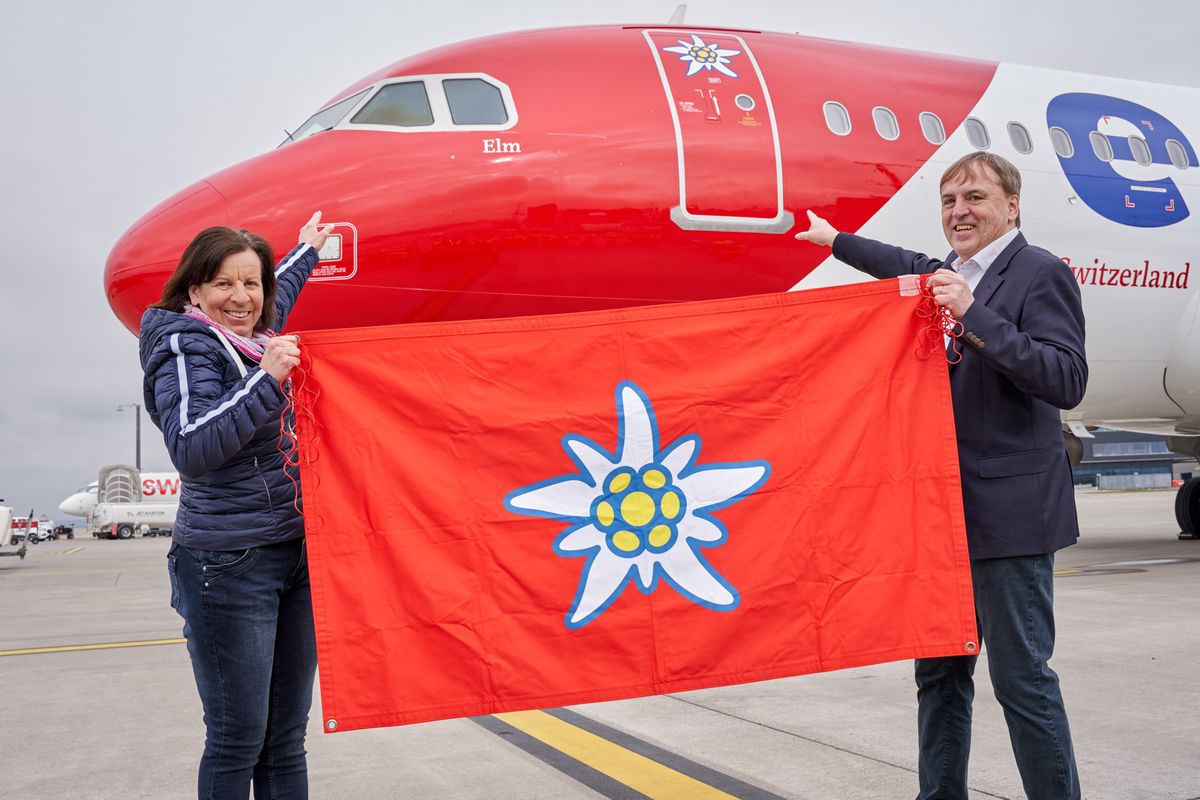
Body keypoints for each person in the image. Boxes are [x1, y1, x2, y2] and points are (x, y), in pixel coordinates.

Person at [796, 152, 1085, 800]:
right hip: (940, 520)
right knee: (939, 678)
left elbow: (1066, 380)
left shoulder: (1040, 274)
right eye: (950, 200)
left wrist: (976, 316)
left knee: (1021, 682)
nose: (960, 211)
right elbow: (898, 261)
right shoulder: (946, 272)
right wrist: (831, 239)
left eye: (975, 198)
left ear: (1012, 206)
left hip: (1010, 521)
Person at [140, 212, 331, 798]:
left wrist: (305, 254)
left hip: (295, 557)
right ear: (194, 290)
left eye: (251, 282)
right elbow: (193, 445)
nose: (241, 296)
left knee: (285, 740)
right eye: (223, 283)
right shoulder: (185, 343)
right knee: (237, 740)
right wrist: (268, 378)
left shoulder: (252, 335)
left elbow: (272, 300)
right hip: (229, 566)